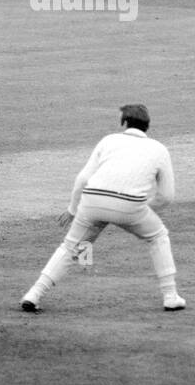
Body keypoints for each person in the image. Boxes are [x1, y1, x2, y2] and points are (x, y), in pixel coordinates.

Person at [21, 104, 185, 312]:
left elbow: (82, 179)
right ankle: (170, 296)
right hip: (131, 205)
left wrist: (72, 210)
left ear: (124, 123)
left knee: (70, 248)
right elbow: (166, 196)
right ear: (147, 126)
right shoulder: (159, 149)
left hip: (92, 201)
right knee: (158, 236)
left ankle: (33, 294)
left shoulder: (108, 140)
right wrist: (140, 211)